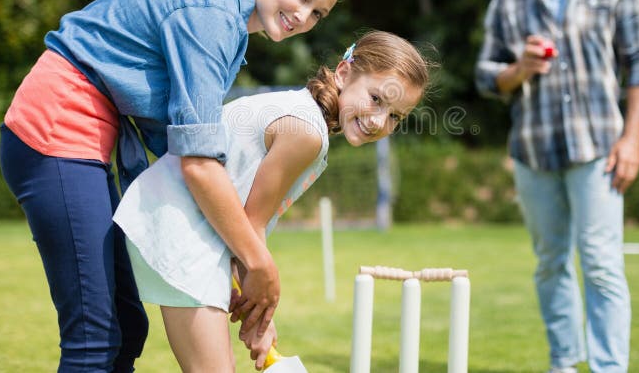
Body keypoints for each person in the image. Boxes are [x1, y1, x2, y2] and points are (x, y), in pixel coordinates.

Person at [0, 0, 349, 372]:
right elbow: (198, 164)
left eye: (318, 12)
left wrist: (245, 277)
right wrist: (260, 267)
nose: (303, 14)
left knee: (125, 326)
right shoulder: (211, 17)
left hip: (84, 140)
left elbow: (179, 151)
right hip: (55, 128)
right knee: (95, 337)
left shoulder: (230, 32)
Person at [113, 30, 431, 372]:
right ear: (343, 73)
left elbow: (239, 224)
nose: (379, 121)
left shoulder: (302, 113)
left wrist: (257, 311)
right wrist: (262, 303)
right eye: (376, 99)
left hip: (174, 224)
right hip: (177, 230)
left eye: (396, 116)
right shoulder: (307, 132)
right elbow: (252, 224)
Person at [475, 0, 639, 373]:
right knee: (550, 263)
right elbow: (484, 75)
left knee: (600, 262)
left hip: (598, 147)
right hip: (533, 152)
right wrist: (519, 70)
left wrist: (632, 139)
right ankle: (563, 363)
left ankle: (608, 368)